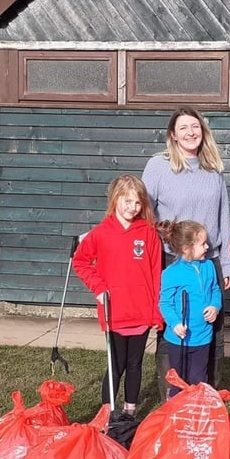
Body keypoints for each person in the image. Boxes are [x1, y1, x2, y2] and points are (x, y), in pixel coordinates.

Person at [142, 107, 230, 399]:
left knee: (211, 326)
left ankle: (207, 393)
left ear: (203, 131)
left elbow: (224, 218)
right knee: (173, 326)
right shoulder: (159, 167)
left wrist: (227, 263)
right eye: (183, 127)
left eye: (195, 126)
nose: (190, 132)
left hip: (209, 258)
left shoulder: (213, 169)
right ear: (173, 134)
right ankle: (172, 394)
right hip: (173, 258)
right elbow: (144, 214)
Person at [73, 175, 163, 414]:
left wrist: (156, 312)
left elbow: (156, 274)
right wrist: (98, 287)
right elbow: (81, 262)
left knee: (135, 364)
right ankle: (107, 414)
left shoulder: (148, 233)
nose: (132, 207)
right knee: (116, 365)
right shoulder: (101, 232)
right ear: (115, 200)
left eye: (137, 203)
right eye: (127, 201)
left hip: (141, 313)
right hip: (115, 313)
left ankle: (129, 412)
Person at [157, 219, 222, 396]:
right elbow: (165, 303)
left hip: (203, 336)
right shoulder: (171, 273)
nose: (207, 247)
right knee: (179, 379)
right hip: (180, 339)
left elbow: (215, 290)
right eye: (202, 244)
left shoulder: (208, 266)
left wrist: (215, 306)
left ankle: (196, 413)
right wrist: (175, 323)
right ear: (187, 248)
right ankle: (177, 414)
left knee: (199, 378)